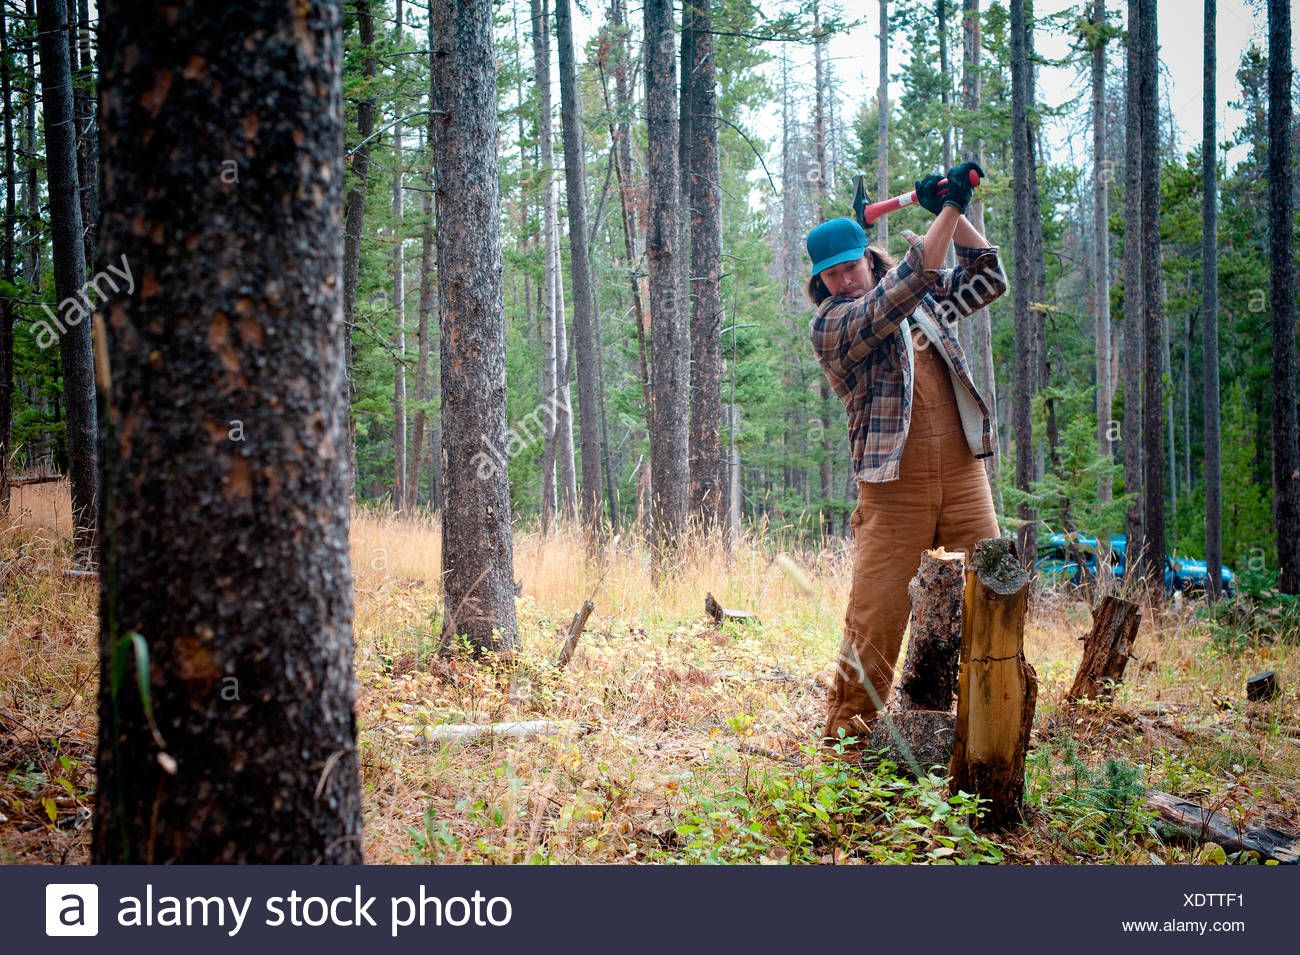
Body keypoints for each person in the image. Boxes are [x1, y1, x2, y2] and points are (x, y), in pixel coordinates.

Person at [806, 161, 1008, 753]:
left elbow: (987, 276)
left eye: (851, 267)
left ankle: (992, 727)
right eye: (832, 275)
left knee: (991, 596)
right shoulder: (834, 324)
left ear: (870, 257)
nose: (844, 280)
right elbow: (900, 290)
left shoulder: (922, 304)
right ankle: (848, 737)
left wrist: (955, 209)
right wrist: (945, 209)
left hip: (964, 472)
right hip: (892, 484)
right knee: (876, 617)